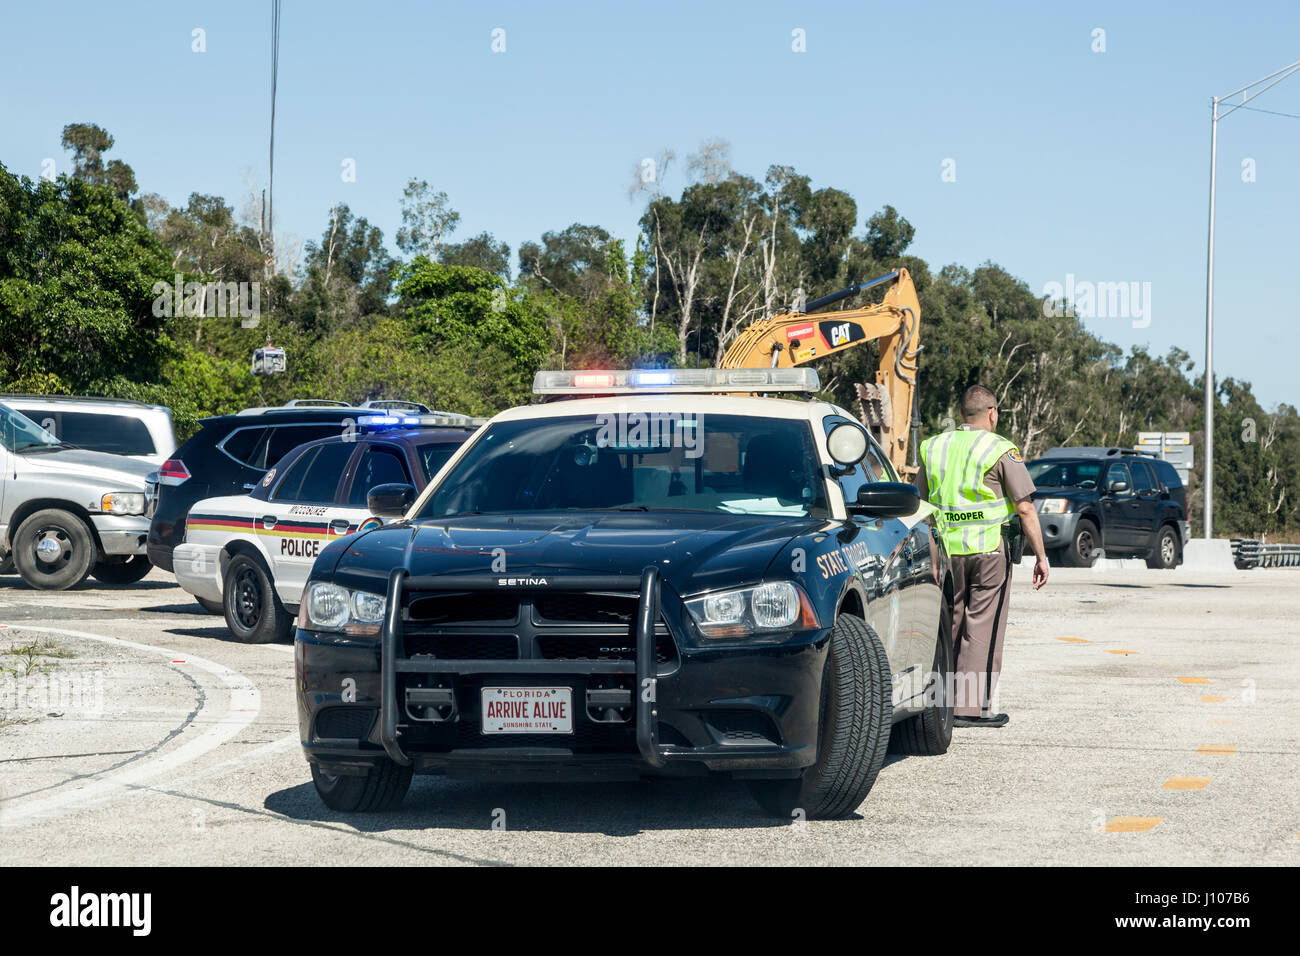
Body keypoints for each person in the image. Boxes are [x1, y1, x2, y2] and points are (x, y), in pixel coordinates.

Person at [915, 385, 1048, 727]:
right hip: (989, 551)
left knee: (950, 624)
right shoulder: (1000, 449)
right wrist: (1041, 556)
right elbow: (1025, 508)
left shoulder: (933, 447)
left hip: (946, 552)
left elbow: (920, 503)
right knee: (982, 628)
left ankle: (942, 704)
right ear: (992, 413)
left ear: (961, 414)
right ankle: (971, 709)